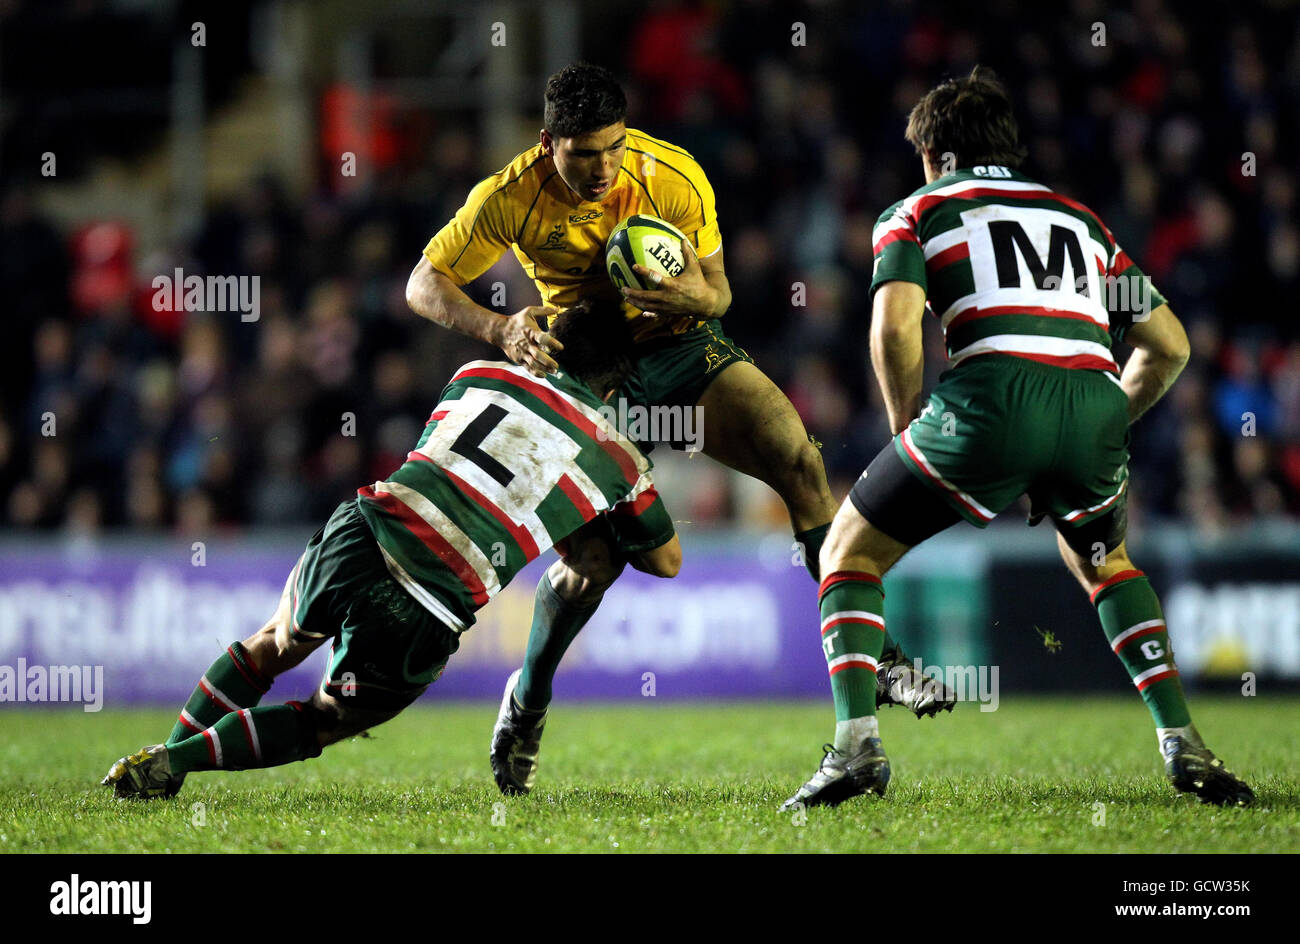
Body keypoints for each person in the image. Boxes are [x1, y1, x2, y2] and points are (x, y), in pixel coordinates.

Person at [405, 62, 952, 796]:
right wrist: (500, 328)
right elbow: (424, 283)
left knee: (801, 462)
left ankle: (876, 657)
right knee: (592, 563)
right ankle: (528, 698)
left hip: (678, 347)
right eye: (582, 155)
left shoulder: (674, 175)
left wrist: (697, 292)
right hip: (584, 372)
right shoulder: (508, 197)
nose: (602, 169)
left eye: (612, 148)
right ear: (547, 144)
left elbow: (719, 292)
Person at [782, 66, 1254, 810]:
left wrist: (909, 426)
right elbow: (1169, 346)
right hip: (1094, 404)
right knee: (1106, 563)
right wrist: (1096, 426)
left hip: (991, 404)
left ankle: (855, 750)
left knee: (846, 551)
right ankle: (1183, 742)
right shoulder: (1081, 220)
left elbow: (896, 325)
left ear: (935, 154)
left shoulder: (918, 210)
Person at [101, 300, 682, 798]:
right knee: (325, 718)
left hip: (366, 527)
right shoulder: (615, 456)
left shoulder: (480, 373)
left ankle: (162, 758)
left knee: (271, 645)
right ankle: (177, 762)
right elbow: (666, 561)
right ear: (610, 388)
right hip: (427, 603)